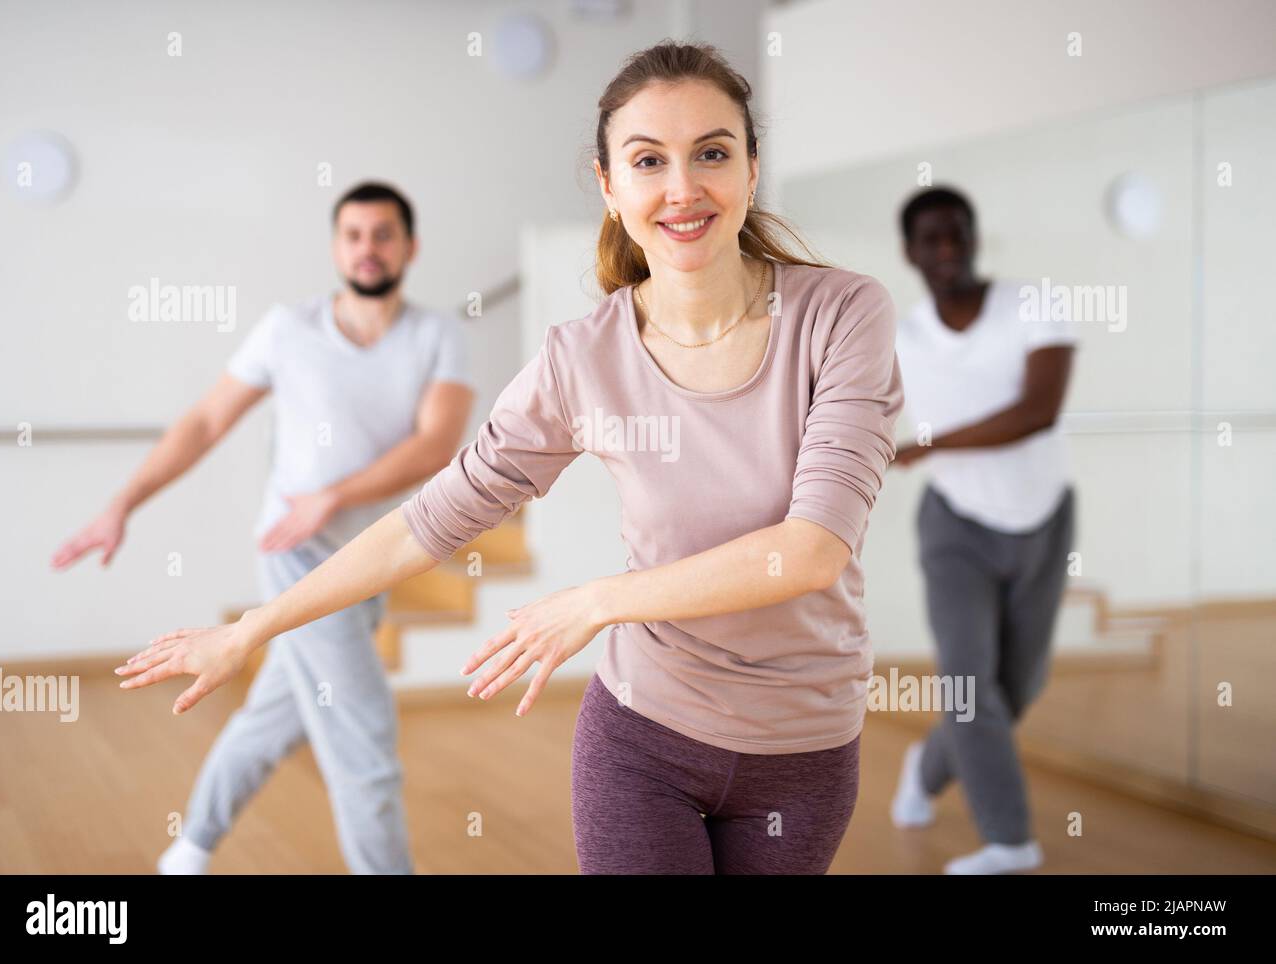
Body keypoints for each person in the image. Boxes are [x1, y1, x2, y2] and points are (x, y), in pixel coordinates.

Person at [115, 42, 903, 875]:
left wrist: (600, 601)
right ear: (610, 186)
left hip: (806, 749)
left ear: (750, 168)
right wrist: (256, 628)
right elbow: (432, 520)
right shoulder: (582, 358)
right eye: (647, 161)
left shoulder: (842, 315)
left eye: (712, 152)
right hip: (645, 740)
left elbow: (813, 550)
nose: (682, 188)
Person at [55, 181, 476, 874]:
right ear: (337, 246)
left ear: (410, 246)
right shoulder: (289, 328)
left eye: (383, 234)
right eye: (353, 234)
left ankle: (187, 852)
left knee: (274, 714)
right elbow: (203, 423)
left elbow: (437, 445)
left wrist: (333, 496)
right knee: (364, 738)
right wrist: (121, 504)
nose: (367, 248)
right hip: (296, 555)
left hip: (377, 561)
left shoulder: (437, 335)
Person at [886, 186, 1078, 874]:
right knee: (969, 686)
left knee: (1014, 690)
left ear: (974, 237)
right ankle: (1009, 839)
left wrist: (927, 445)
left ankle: (926, 767)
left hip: (1043, 520)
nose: (947, 250)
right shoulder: (903, 336)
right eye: (931, 239)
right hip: (955, 531)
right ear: (910, 252)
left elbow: (1039, 409)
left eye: (958, 235)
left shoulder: (1032, 304)